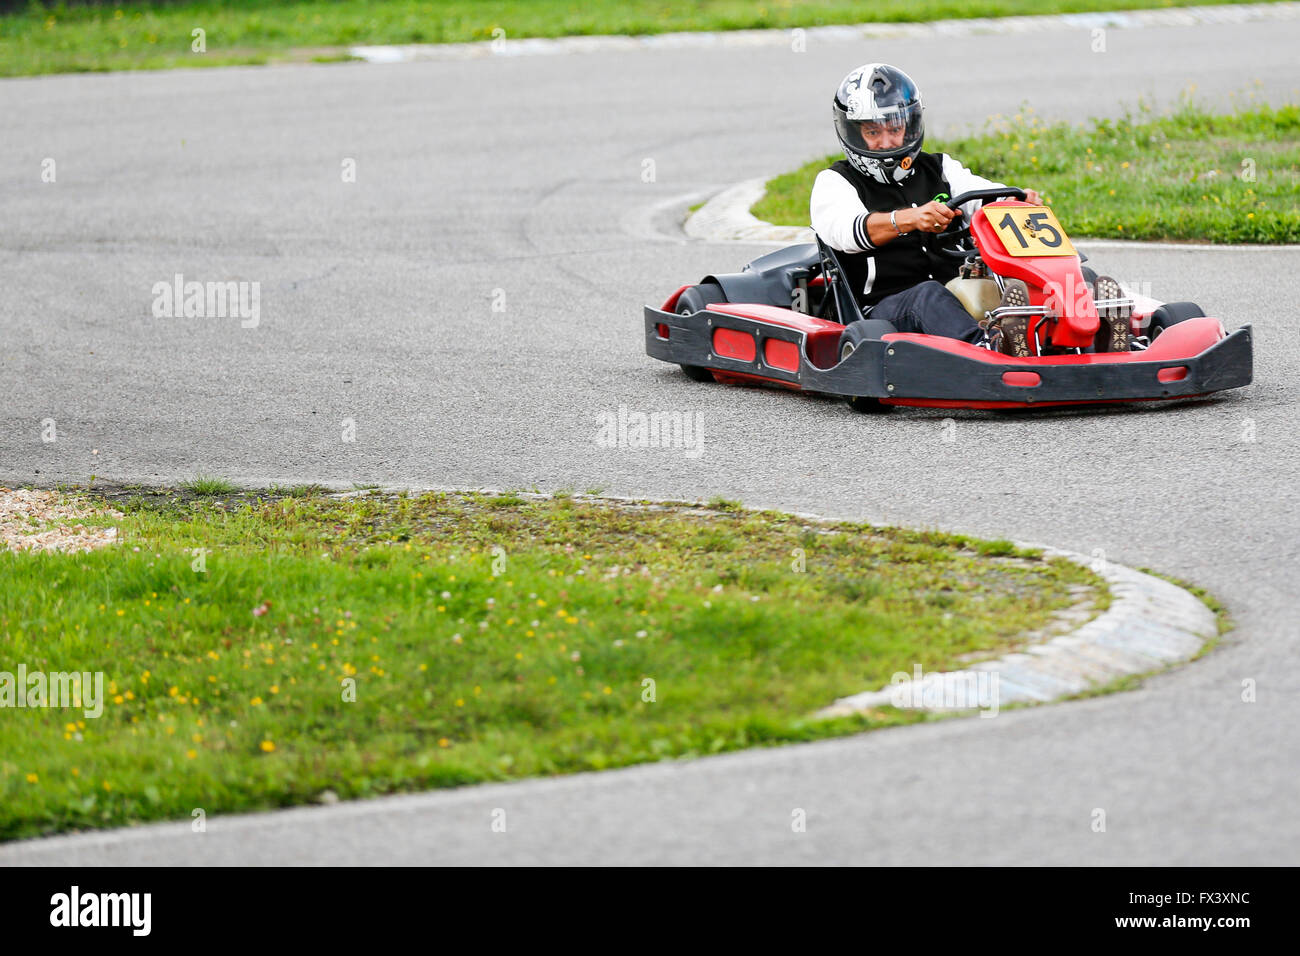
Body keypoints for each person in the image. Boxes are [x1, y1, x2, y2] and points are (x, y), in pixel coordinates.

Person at [810, 63, 1129, 355]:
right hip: (885, 306)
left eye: (894, 129)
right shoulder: (835, 182)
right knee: (928, 296)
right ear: (853, 132)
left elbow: (983, 195)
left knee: (1074, 276)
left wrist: (1016, 202)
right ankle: (988, 349)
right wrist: (910, 219)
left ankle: (1092, 333)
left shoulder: (940, 168)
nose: (887, 142)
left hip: (957, 291)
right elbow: (846, 232)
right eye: (873, 132)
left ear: (910, 126)